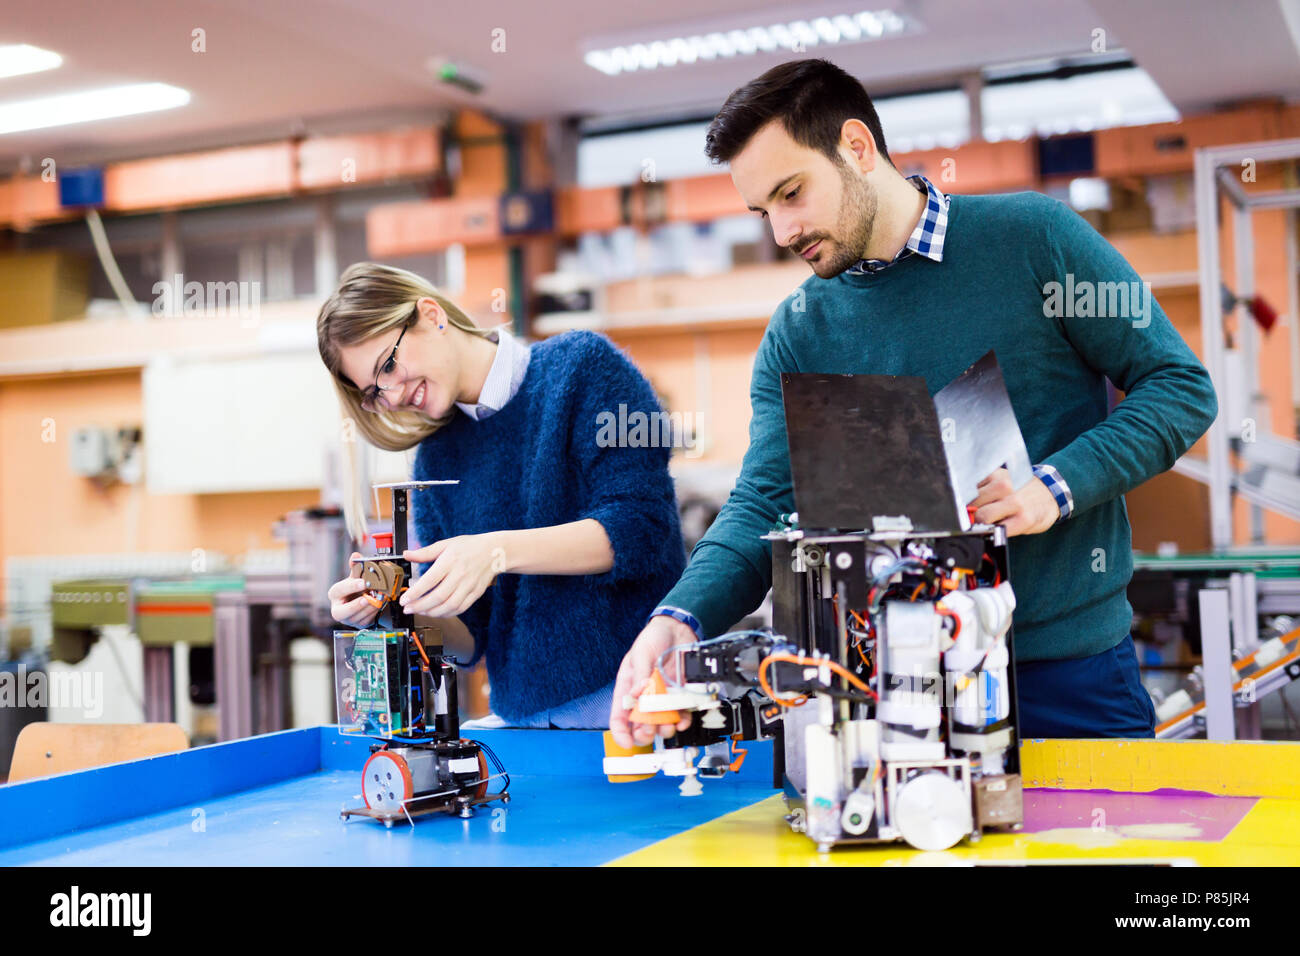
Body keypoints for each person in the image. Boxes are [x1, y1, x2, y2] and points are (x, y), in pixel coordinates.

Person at [610, 58, 1218, 747]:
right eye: (763, 211)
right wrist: (678, 619)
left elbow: (1178, 386)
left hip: (1068, 675)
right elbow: (761, 504)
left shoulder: (1033, 241)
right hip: (893, 697)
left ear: (858, 148)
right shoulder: (800, 332)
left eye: (791, 193)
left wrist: (1054, 487)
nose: (781, 232)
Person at [318, 262, 685, 728]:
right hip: (528, 727)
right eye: (374, 392)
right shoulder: (436, 458)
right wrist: (388, 614)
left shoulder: (584, 369)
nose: (390, 395)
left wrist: (495, 552)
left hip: (641, 704)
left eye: (387, 366)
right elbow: (469, 635)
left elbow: (640, 529)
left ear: (431, 315)